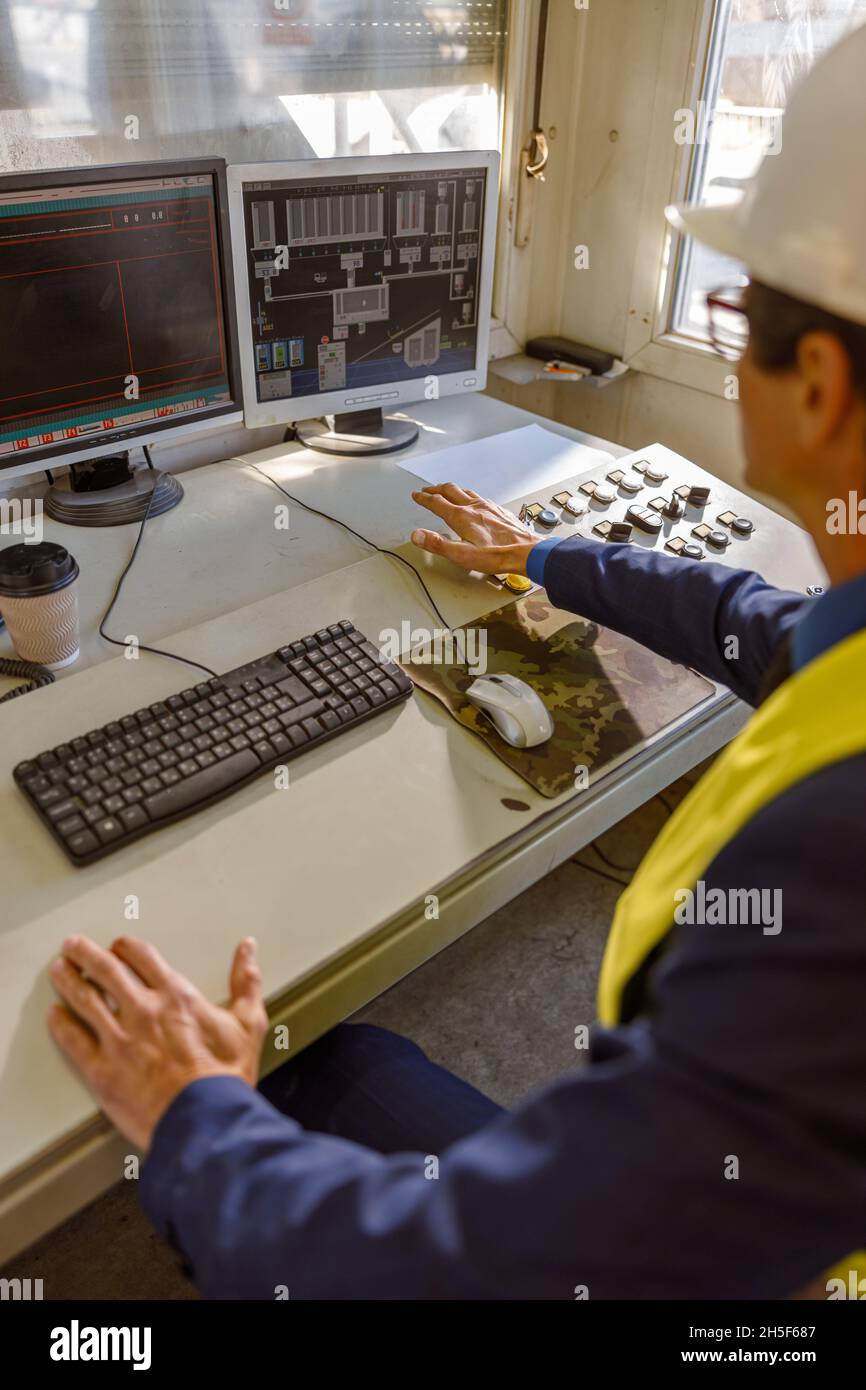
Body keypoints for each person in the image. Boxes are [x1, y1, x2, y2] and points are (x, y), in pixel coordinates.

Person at [47, 29, 866, 1299]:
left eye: (733, 307)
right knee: (333, 1053)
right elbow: (762, 623)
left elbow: (488, 1274)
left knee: (257, 1081)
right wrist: (550, 557)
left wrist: (189, 1110)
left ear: (813, 384)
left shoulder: (831, 861)